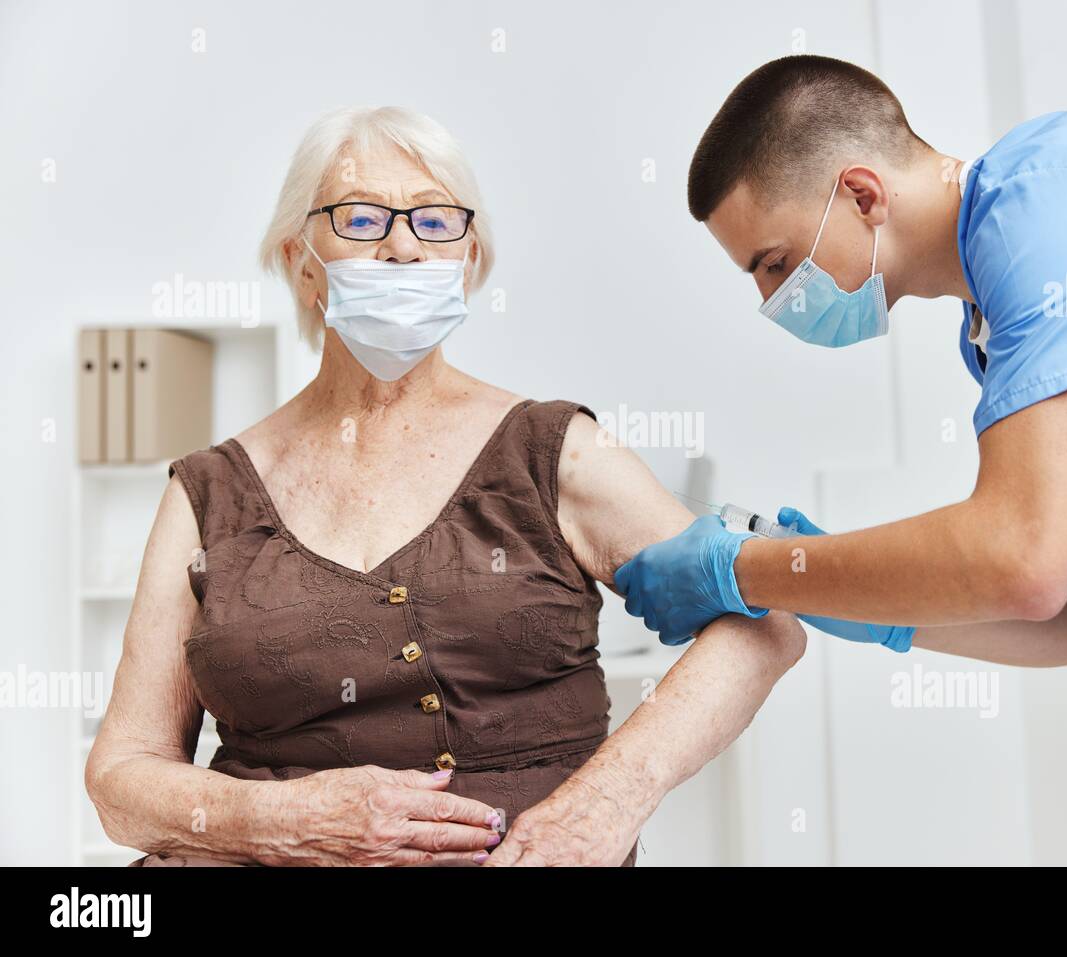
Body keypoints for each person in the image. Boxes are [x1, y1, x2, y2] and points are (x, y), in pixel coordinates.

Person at [614, 55, 1067, 863]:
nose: (773, 300)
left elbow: (1022, 558)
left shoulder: (1049, 205)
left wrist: (754, 567)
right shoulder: (999, 338)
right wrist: (878, 614)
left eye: (773, 263)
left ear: (863, 195)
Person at [85, 106, 806, 867]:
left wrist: (609, 799)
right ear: (302, 262)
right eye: (361, 218)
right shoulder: (207, 492)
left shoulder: (556, 452)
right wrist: (280, 817)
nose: (401, 246)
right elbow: (118, 777)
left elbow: (764, 621)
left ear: (468, 262)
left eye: (434, 222)